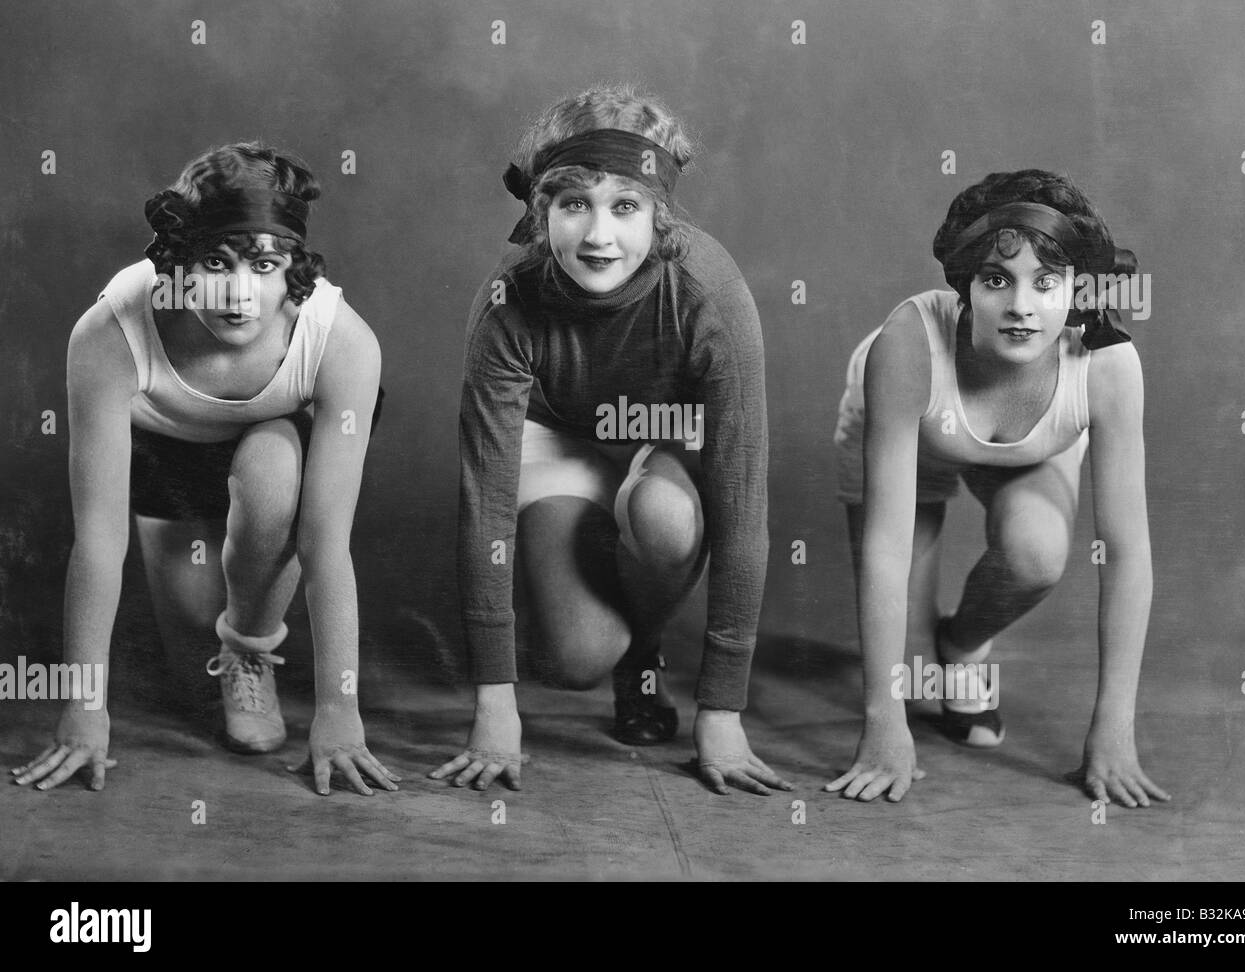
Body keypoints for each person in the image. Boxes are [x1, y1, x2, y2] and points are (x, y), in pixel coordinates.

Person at [433, 86, 790, 796]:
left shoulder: (707, 288)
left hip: (664, 434)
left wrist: (722, 707)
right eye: (574, 206)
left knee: (663, 518)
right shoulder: (510, 299)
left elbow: (742, 498)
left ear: (659, 212)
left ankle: (646, 655)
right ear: (541, 212)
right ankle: (618, 630)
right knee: (573, 662)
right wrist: (494, 703)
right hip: (562, 436)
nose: (599, 236)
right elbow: (487, 503)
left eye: (624, 207)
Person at [11, 142, 398, 797]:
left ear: (293, 271)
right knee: (191, 672)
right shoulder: (110, 331)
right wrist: (83, 709)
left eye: (265, 265)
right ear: (176, 262)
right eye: (215, 263)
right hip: (170, 454)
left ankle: (249, 646)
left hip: (278, 449)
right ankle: (212, 639)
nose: (239, 293)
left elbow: (326, 547)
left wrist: (340, 711)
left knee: (274, 460)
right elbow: (99, 542)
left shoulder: (341, 341)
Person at [828, 169, 1170, 808]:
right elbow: (885, 550)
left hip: (1034, 448)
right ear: (962, 287)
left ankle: (964, 645)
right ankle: (933, 658)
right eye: (996, 280)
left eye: (1046, 283)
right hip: (920, 434)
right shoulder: (907, 345)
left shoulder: (1107, 364)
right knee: (907, 663)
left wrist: (1115, 730)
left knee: (1037, 555)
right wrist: (884, 722)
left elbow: (1127, 554)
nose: (1021, 306)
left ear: (1076, 290)